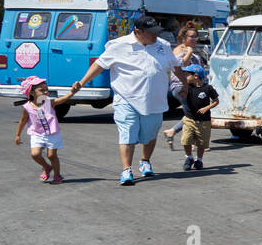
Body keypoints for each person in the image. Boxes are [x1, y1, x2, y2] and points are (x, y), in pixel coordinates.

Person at [71, 15, 189, 186]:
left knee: (149, 134)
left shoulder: (162, 45)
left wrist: (184, 85)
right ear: (138, 32)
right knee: (128, 132)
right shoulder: (119, 45)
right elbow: (100, 64)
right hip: (126, 99)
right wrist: (82, 83)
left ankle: (145, 161)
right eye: (151, 32)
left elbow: (175, 66)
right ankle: (127, 170)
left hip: (154, 100)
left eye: (156, 31)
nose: (155, 35)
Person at [14, 76, 77, 183]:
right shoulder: (27, 107)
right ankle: (46, 167)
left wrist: (72, 92)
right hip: (37, 134)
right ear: (32, 93)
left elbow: (63, 99)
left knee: (51, 155)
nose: (46, 92)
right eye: (42, 90)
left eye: (46, 89)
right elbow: (23, 120)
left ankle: (57, 176)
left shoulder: (49, 102)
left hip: (52, 133)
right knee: (35, 154)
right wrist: (18, 135)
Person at [176, 64, 219, 171]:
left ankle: (199, 160)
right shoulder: (188, 87)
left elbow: (216, 101)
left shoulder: (208, 88)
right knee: (186, 140)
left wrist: (206, 108)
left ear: (195, 76)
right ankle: (189, 158)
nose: (186, 77)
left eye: (187, 75)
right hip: (189, 119)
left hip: (204, 121)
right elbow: (180, 93)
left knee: (201, 143)